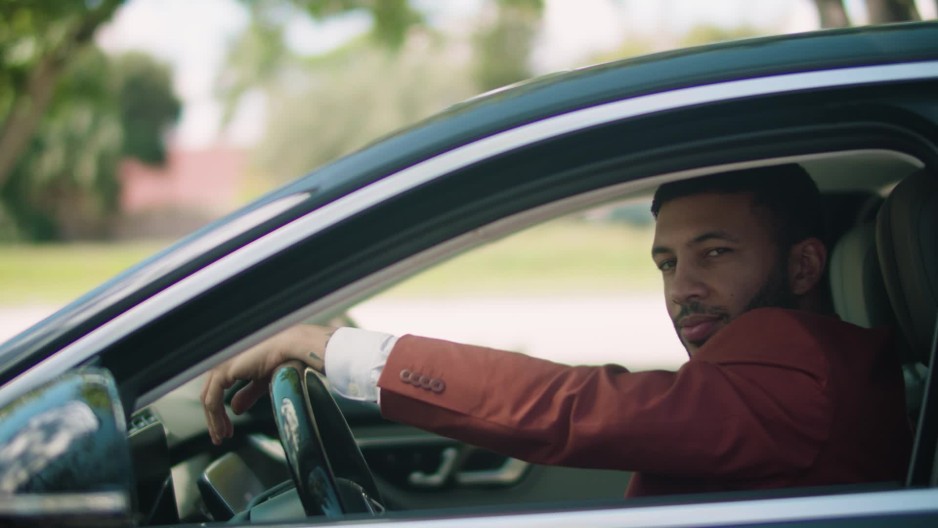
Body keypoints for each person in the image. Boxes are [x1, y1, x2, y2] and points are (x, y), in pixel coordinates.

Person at [202, 164, 912, 497]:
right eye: (666, 262)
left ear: (805, 264)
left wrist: (332, 349)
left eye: (715, 253)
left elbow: (582, 408)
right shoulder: (803, 373)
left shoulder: (808, 369)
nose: (683, 288)